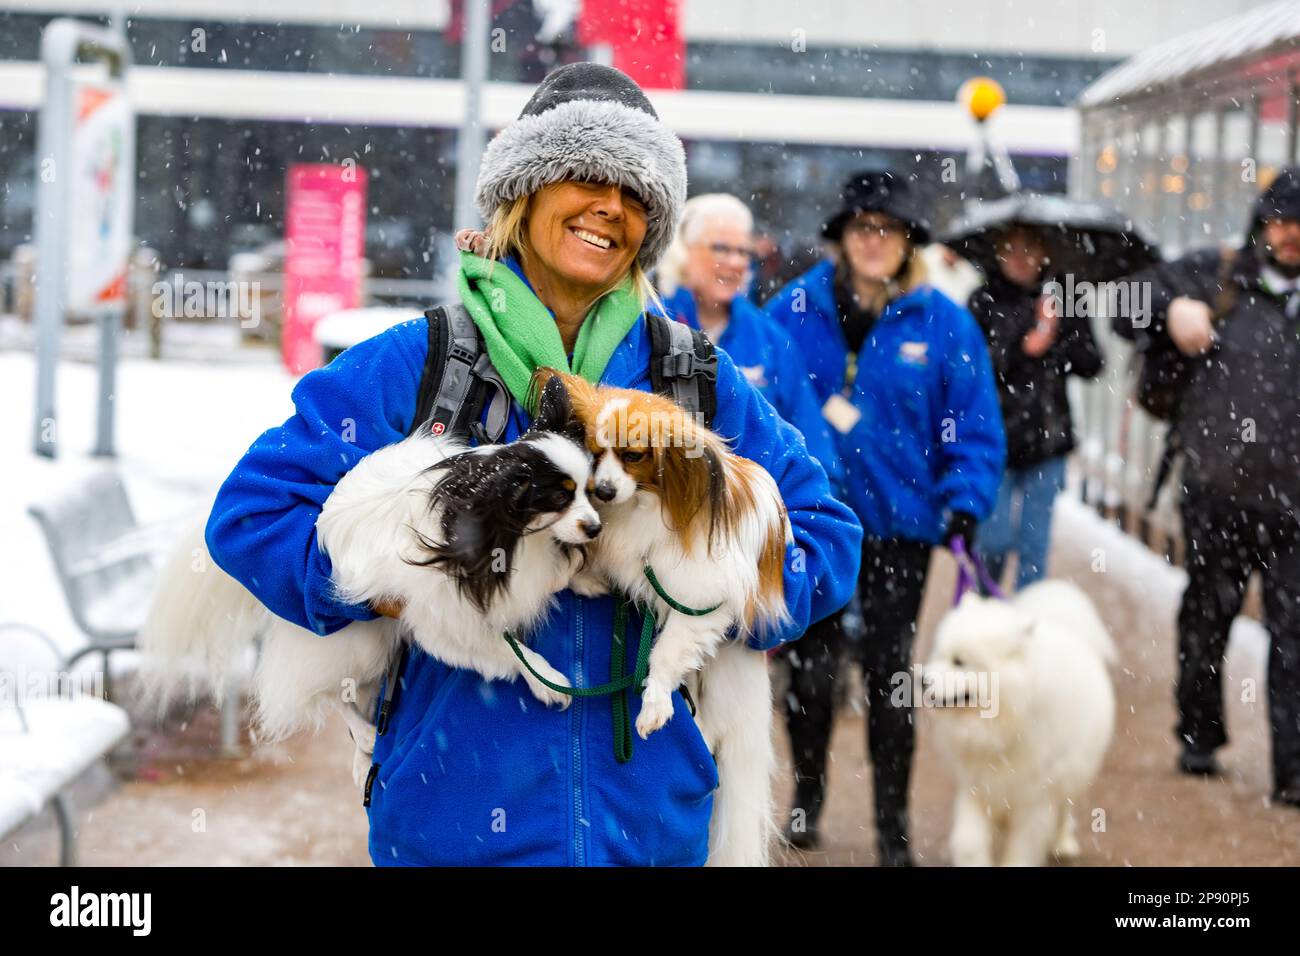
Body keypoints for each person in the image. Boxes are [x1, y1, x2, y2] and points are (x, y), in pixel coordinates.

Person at [204, 62, 862, 866]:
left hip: (647, 827)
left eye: (637, 191)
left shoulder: (690, 379)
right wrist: (400, 586)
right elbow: (252, 514)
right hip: (452, 820)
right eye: (585, 173)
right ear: (524, 190)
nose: (610, 205)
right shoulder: (427, 360)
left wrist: (717, 587)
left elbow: (827, 535)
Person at [765, 170, 1005, 864]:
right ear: (842, 236)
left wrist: (965, 500)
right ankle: (808, 797)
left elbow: (972, 421)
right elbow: (763, 405)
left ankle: (891, 827)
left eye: (888, 230)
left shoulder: (943, 322)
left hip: (902, 528)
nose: (874, 241)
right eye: (862, 228)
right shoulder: (793, 309)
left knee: (890, 675)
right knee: (810, 671)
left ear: (907, 242)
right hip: (813, 522)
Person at [1118, 167, 1300, 805]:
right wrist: (1172, 308)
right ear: (1261, 224)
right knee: (1206, 618)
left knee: (1294, 633)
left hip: (1296, 505)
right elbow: (1125, 301)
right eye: (1280, 221)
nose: (1291, 234)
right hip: (1216, 492)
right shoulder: (1214, 274)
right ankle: (1198, 736)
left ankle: (1293, 771)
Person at [657, 193, 842, 487]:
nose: (735, 262)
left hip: (755, 509)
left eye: (743, 252)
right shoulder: (650, 324)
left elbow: (815, 455)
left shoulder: (770, 339)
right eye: (720, 248)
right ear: (683, 252)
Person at [968, 224, 1103, 589]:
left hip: (1047, 440)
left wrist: (1059, 333)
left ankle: (1029, 616)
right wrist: (1026, 342)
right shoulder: (983, 300)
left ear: (1045, 253)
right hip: (995, 440)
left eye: (1030, 248)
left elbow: (1091, 364)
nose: (1020, 258)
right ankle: (986, 605)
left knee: (1035, 545)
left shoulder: (1066, 296)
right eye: (1011, 248)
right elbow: (972, 367)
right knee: (993, 540)